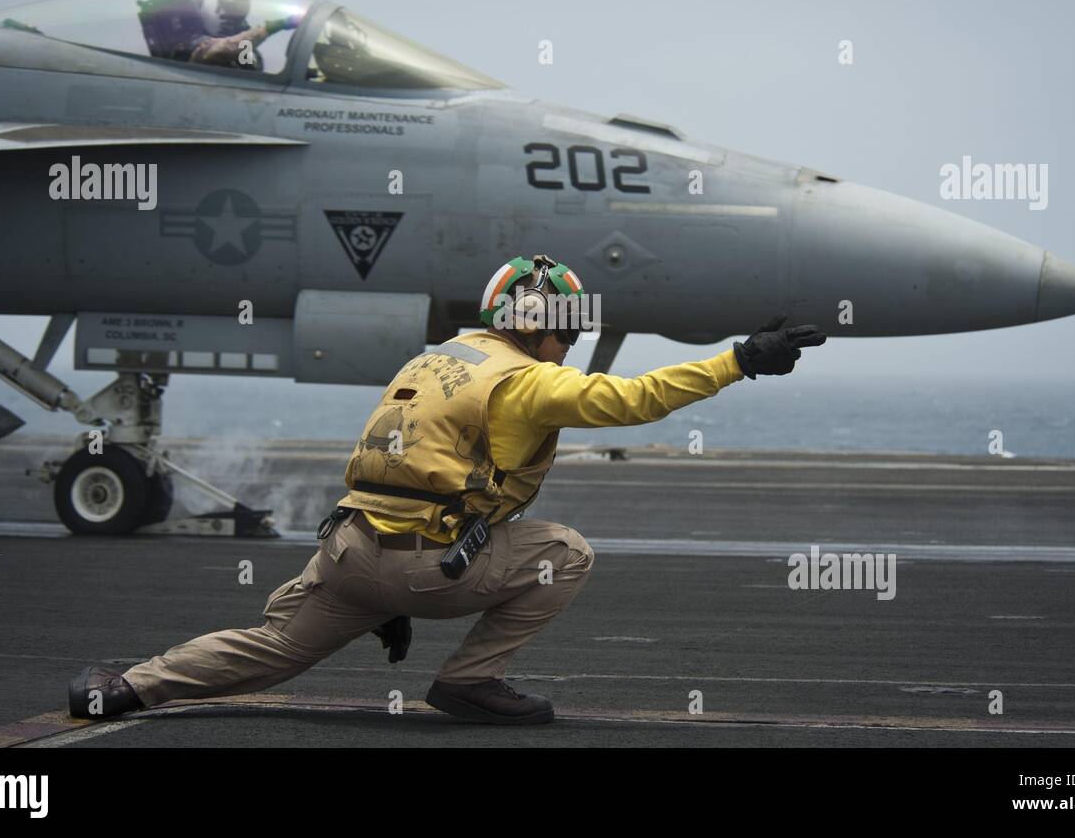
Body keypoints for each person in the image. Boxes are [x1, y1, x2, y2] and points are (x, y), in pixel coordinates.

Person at [68, 254, 826, 725]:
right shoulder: (527, 380)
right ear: (540, 327)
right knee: (567, 550)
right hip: (427, 566)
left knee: (266, 647)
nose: (572, 346)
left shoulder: (430, 361)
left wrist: (380, 600)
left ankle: (125, 685)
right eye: (568, 331)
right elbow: (632, 400)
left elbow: (398, 467)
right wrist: (738, 361)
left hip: (348, 551)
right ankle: (469, 681)